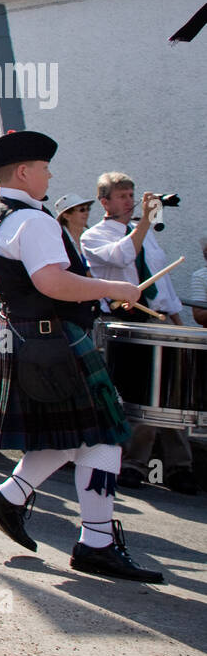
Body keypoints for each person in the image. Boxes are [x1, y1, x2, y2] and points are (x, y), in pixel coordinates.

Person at [0, 132, 163, 582]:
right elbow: (53, 282)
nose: (49, 174)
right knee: (101, 435)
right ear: (23, 171)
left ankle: (11, 497)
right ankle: (94, 542)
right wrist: (112, 288)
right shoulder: (33, 221)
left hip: (30, 338)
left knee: (75, 436)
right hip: (53, 340)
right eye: (43, 167)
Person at [81, 173, 196, 495]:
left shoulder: (141, 231)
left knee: (172, 395)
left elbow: (162, 281)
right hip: (125, 322)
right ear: (104, 202)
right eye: (121, 196)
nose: (129, 201)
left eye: (131, 194)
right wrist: (145, 221)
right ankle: (134, 463)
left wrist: (176, 320)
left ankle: (180, 467)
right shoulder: (94, 236)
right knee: (142, 393)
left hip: (157, 319)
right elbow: (123, 256)